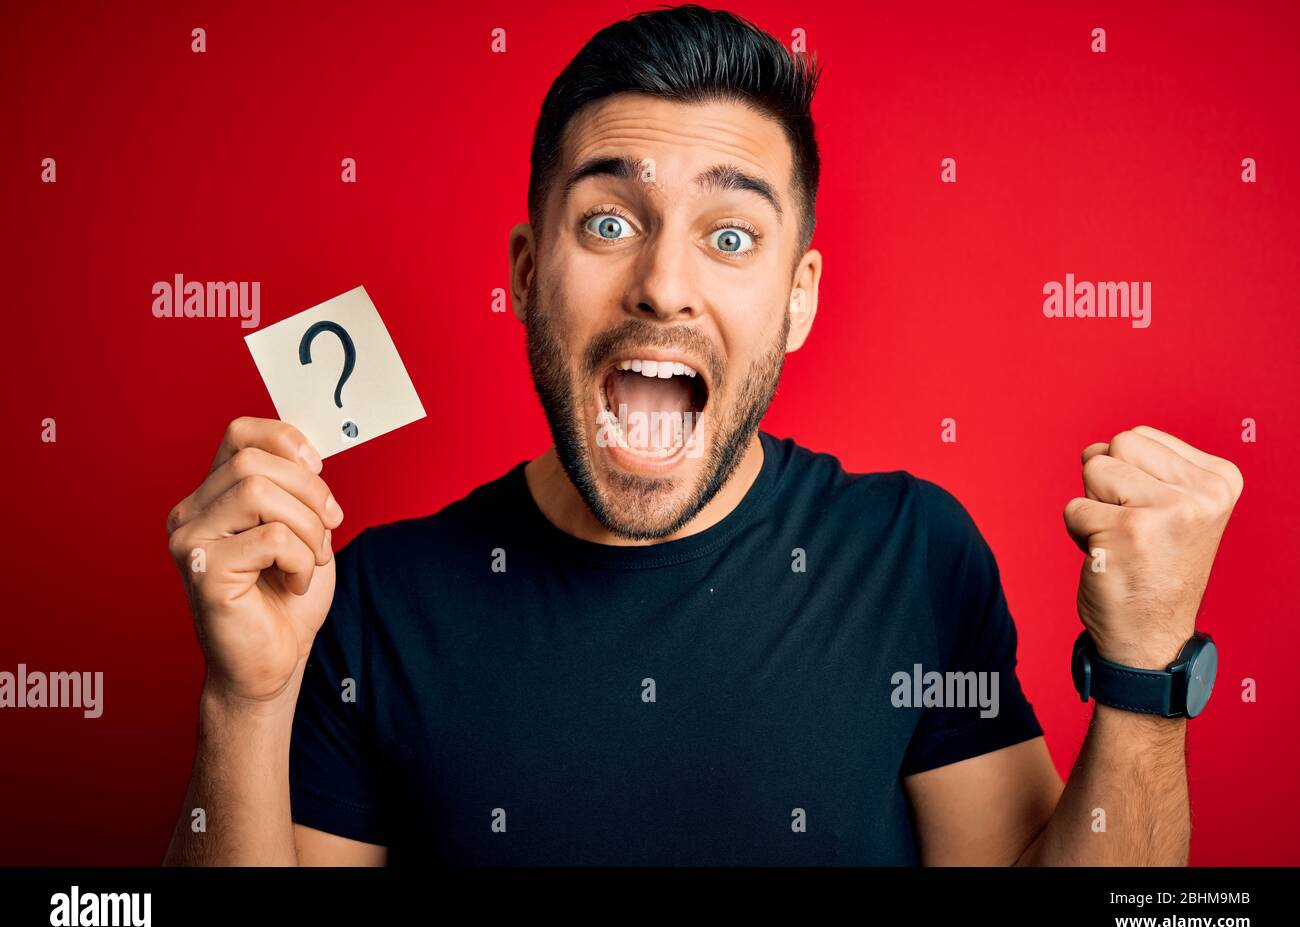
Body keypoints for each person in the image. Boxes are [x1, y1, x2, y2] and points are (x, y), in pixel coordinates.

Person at [162, 5, 1242, 866]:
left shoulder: (910, 557)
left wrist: (1146, 666)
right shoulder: (373, 603)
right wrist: (244, 699)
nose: (663, 285)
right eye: (608, 223)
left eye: (730, 235)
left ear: (797, 299)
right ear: (528, 275)